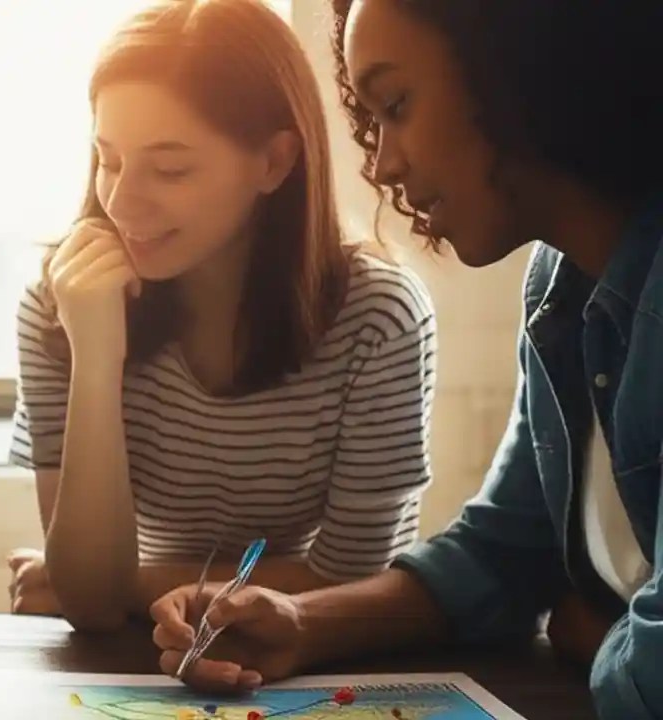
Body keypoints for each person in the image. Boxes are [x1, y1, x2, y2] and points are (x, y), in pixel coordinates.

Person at [149, 1, 663, 717]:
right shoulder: (560, 287)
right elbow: (502, 554)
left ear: (517, 67)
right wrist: (301, 624)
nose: (384, 163)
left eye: (396, 104)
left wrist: (599, 636)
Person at [7, 0, 437, 631]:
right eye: (110, 159)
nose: (122, 201)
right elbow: (90, 608)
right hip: (137, 656)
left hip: (313, 661)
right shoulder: (65, 302)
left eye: (170, 167)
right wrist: (97, 356)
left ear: (274, 162)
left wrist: (128, 581)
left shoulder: (379, 318)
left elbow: (352, 584)